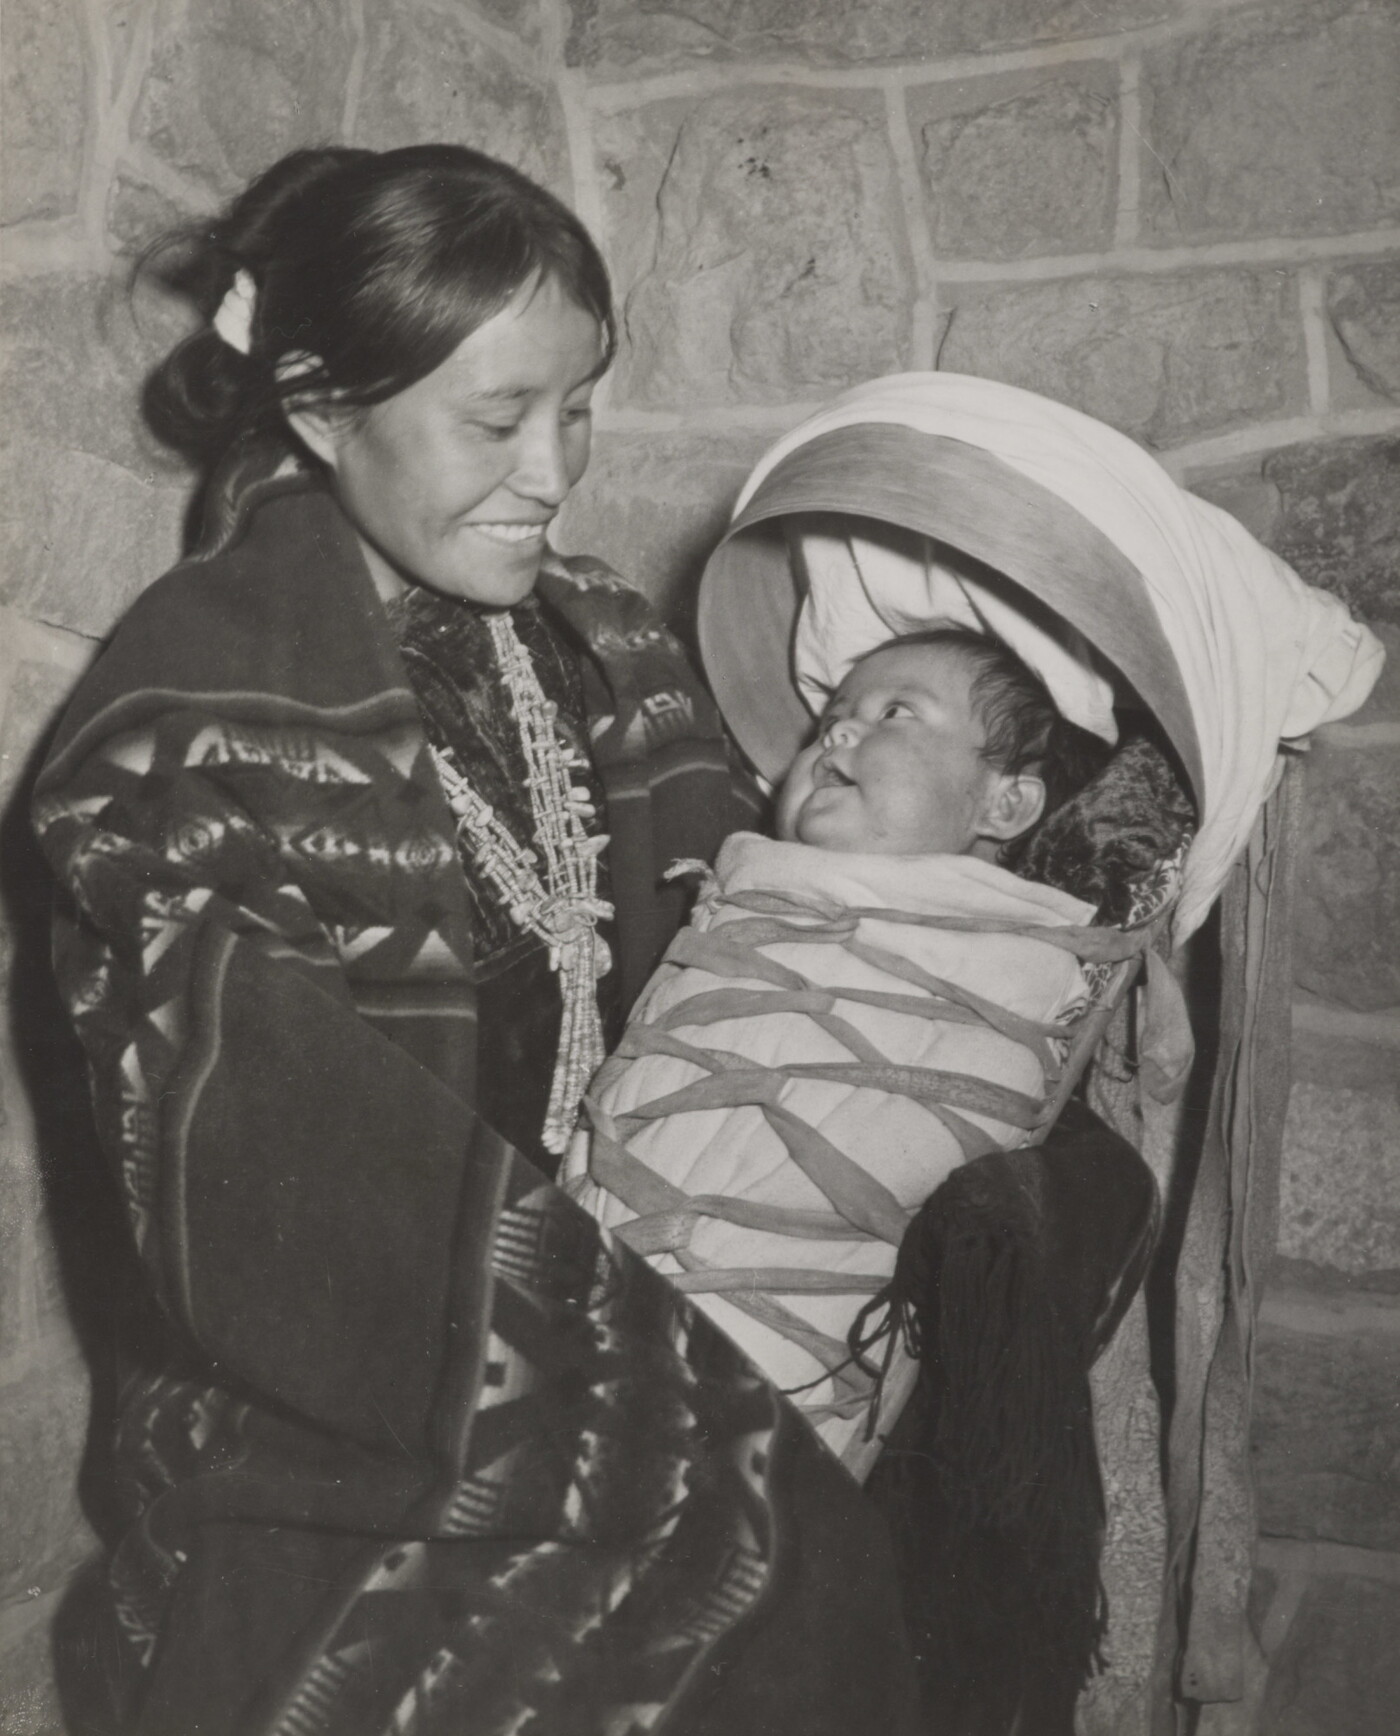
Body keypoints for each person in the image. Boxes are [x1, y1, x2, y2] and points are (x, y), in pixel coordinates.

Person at [32, 145, 919, 1736]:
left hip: (649, 1292)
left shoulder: (607, 649)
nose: (552, 472)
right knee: (774, 1575)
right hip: (327, 1417)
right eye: (496, 422)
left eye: (575, 409)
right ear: (317, 407)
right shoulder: (179, 738)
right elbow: (272, 1217)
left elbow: (765, 964)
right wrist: (674, 1385)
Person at [566, 624, 1137, 1453]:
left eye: (897, 712)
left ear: (1004, 804)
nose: (837, 731)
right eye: (832, 715)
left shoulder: (1002, 967)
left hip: (756, 1377)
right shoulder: (744, 903)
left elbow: (918, 1140)